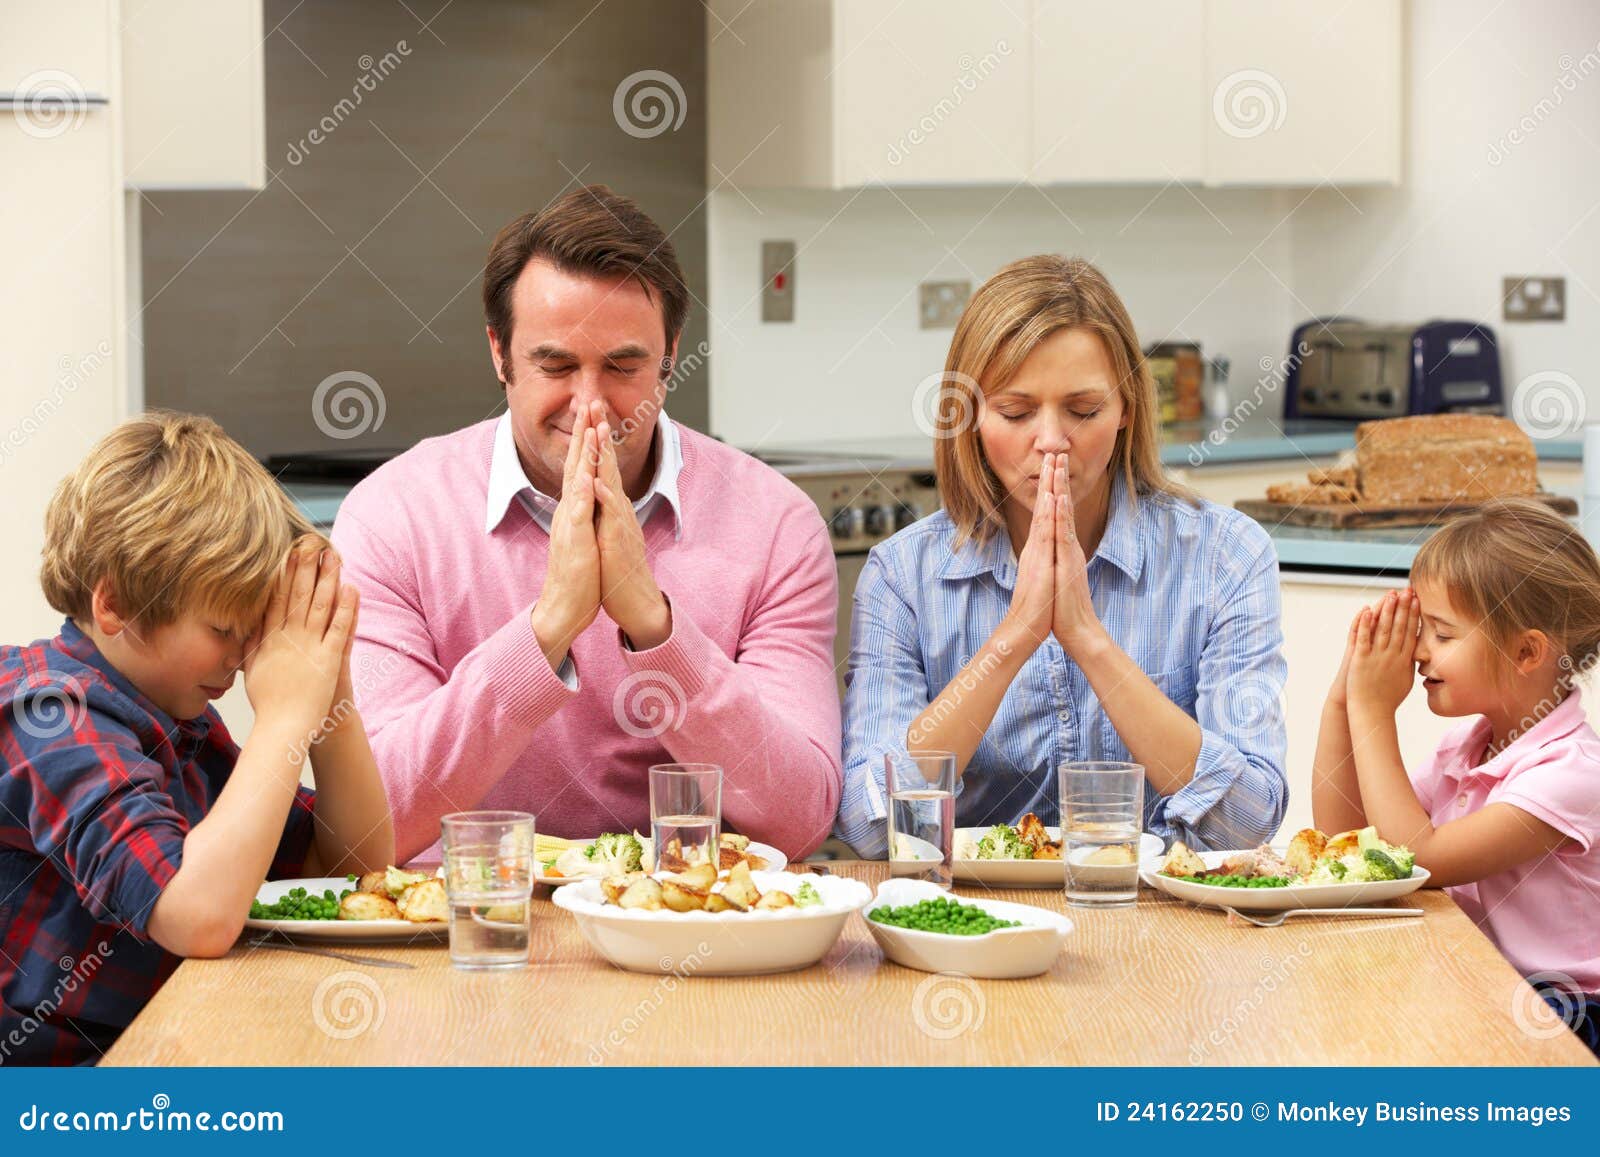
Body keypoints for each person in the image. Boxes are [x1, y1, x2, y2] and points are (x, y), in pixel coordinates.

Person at [331, 184, 841, 863]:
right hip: (468, 930)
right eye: (556, 365)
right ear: (499, 354)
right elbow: (374, 822)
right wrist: (546, 631)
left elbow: (799, 819)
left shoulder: (777, 524)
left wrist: (655, 627)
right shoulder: (392, 516)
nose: (591, 404)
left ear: (670, 356)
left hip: (697, 929)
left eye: (624, 366)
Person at [837, 255, 1288, 858]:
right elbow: (870, 829)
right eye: (1016, 412)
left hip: (1159, 923)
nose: (1050, 440)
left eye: (1083, 411)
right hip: (967, 925)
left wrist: (1087, 640)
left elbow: (1246, 822)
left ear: (1127, 407)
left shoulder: (1227, 556)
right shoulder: (901, 576)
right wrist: (1015, 637)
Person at [0, 412, 392, 1065]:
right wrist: (285, 716)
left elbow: (353, 863)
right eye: (223, 628)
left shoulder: (171, 714)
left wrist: (331, 689)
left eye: (253, 631)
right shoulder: (50, 717)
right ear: (116, 604)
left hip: (162, 1051)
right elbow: (197, 915)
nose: (242, 658)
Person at [1314, 498, 1600, 1056]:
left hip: (1568, 1015)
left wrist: (1374, 712)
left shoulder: (1574, 773)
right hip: (1481, 981)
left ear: (1526, 651)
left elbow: (1420, 859)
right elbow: (1344, 843)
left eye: (1442, 636)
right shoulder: (1466, 750)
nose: (1419, 651)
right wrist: (1342, 703)